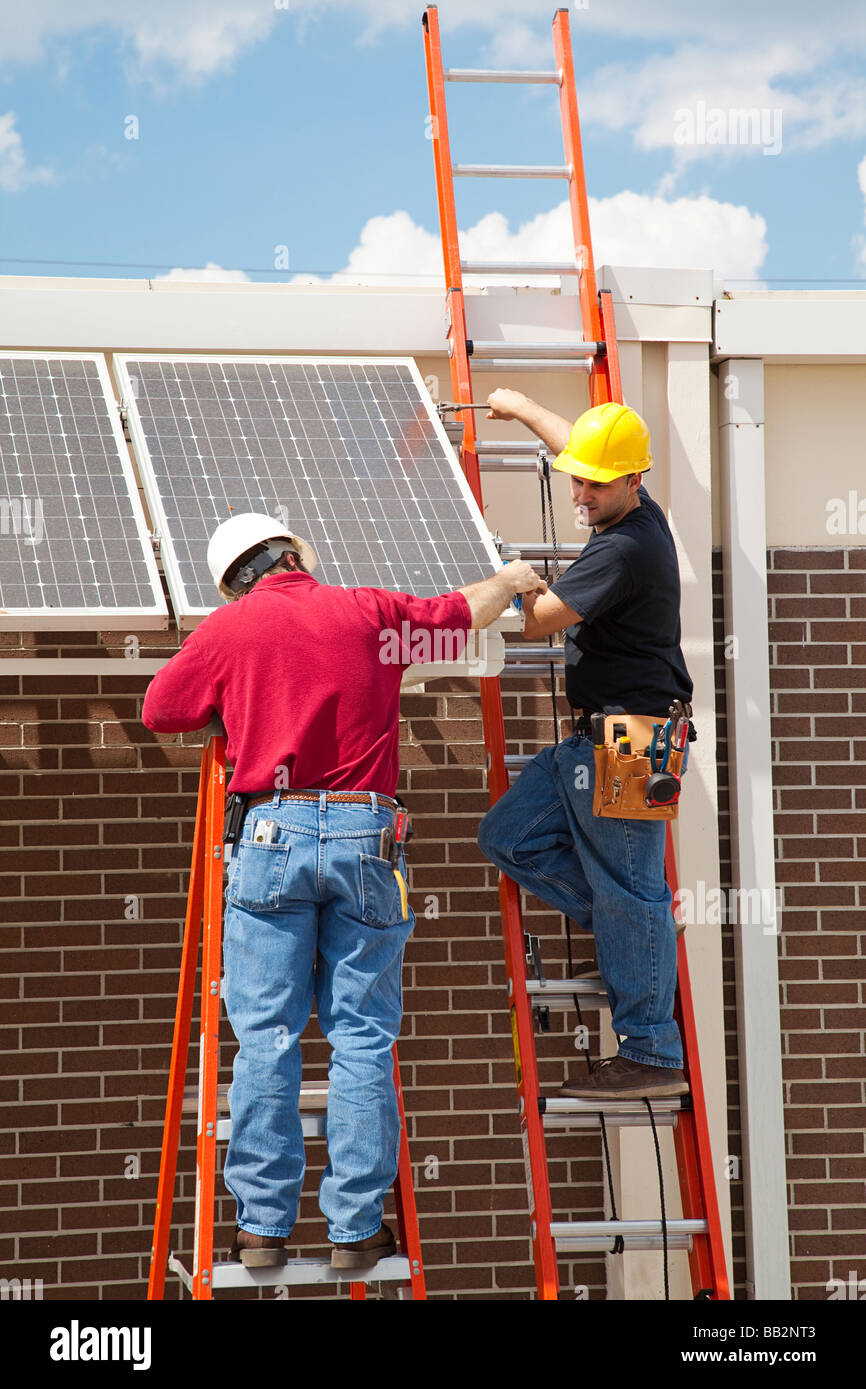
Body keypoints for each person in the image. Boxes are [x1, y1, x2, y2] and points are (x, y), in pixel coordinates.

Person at [141, 511, 545, 1269]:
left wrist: (241, 696)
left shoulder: (229, 631)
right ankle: (356, 1229)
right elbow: (458, 615)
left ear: (234, 580)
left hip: (269, 837)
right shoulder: (367, 612)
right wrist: (514, 579)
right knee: (362, 1037)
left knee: (266, 1039)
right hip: (367, 835)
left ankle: (261, 1228)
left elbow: (163, 710)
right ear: (292, 553)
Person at [477, 390, 694, 1101]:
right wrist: (520, 406)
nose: (581, 493)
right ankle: (635, 938)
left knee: (632, 891)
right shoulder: (633, 500)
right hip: (599, 738)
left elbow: (540, 621)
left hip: (635, 742)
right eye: (577, 478)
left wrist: (509, 582)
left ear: (632, 480)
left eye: (595, 483)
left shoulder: (626, 548)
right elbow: (579, 440)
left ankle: (652, 1052)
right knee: (509, 835)